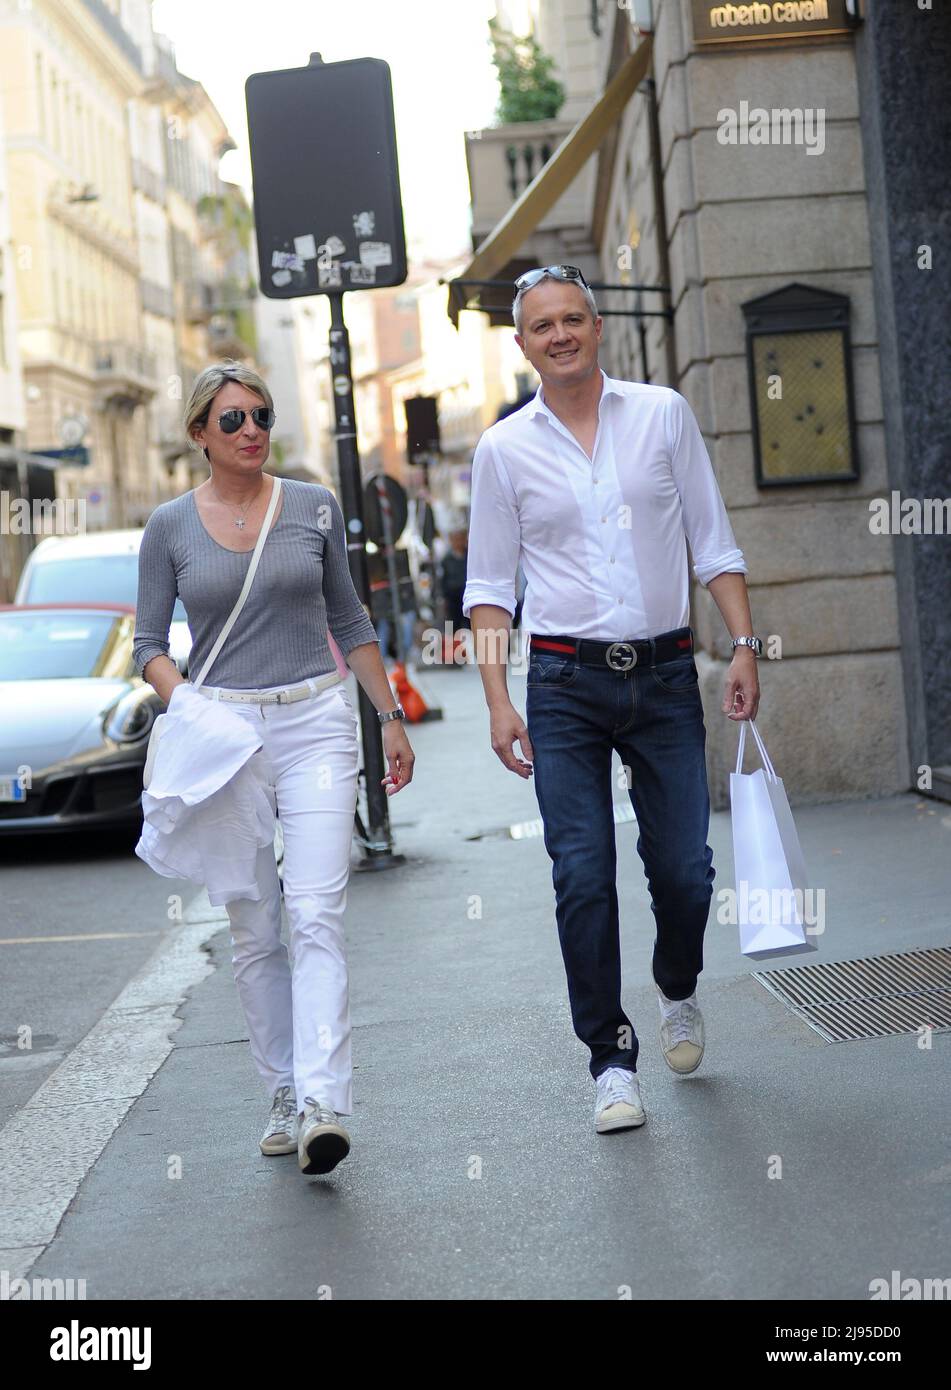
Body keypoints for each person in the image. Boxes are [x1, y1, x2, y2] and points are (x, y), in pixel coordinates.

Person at [462, 266, 761, 1135]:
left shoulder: (661, 414)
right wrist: (497, 700)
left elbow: (712, 540)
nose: (558, 335)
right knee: (582, 875)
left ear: (597, 328)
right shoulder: (502, 450)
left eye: (571, 319)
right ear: (521, 345)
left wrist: (743, 644)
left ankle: (676, 985)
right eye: (541, 326)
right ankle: (610, 1060)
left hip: (664, 675)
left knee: (685, 874)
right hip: (562, 685)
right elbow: (489, 588)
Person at [132, 359, 415, 1177]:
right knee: (255, 930)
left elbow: (349, 618)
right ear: (199, 433)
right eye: (232, 419)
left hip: (316, 721)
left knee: (316, 912)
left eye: (260, 415)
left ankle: (325, 1100)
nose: (251, 430)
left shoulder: (314, 506)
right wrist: (193, 708)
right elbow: (148, 646)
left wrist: (389, 716)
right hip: (226, 737)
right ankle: (284, 1092)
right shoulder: (169, 527)